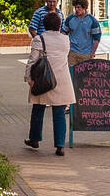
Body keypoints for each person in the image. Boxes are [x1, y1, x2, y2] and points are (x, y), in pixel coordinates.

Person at [24, 11, 75, 156]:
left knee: (38, 109)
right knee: (59, 113)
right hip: (61, 80)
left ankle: (34, 139)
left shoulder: (39, 39)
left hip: (43, 79)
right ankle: (60, 145)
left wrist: (28, 78)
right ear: (59, 26)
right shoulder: (66, 40)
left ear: (44, 25)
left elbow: (32, 60)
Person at [62, 0, 102, 67]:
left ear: (84, 7)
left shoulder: (92, 20)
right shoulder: (70, 19)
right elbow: (63, 32)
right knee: (71, 72)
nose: (76, 9)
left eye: (78, 7)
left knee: (85, 74)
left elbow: (97, 38)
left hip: (86, 53)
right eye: (75, 7)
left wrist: (92, 53)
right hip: (72, 53)